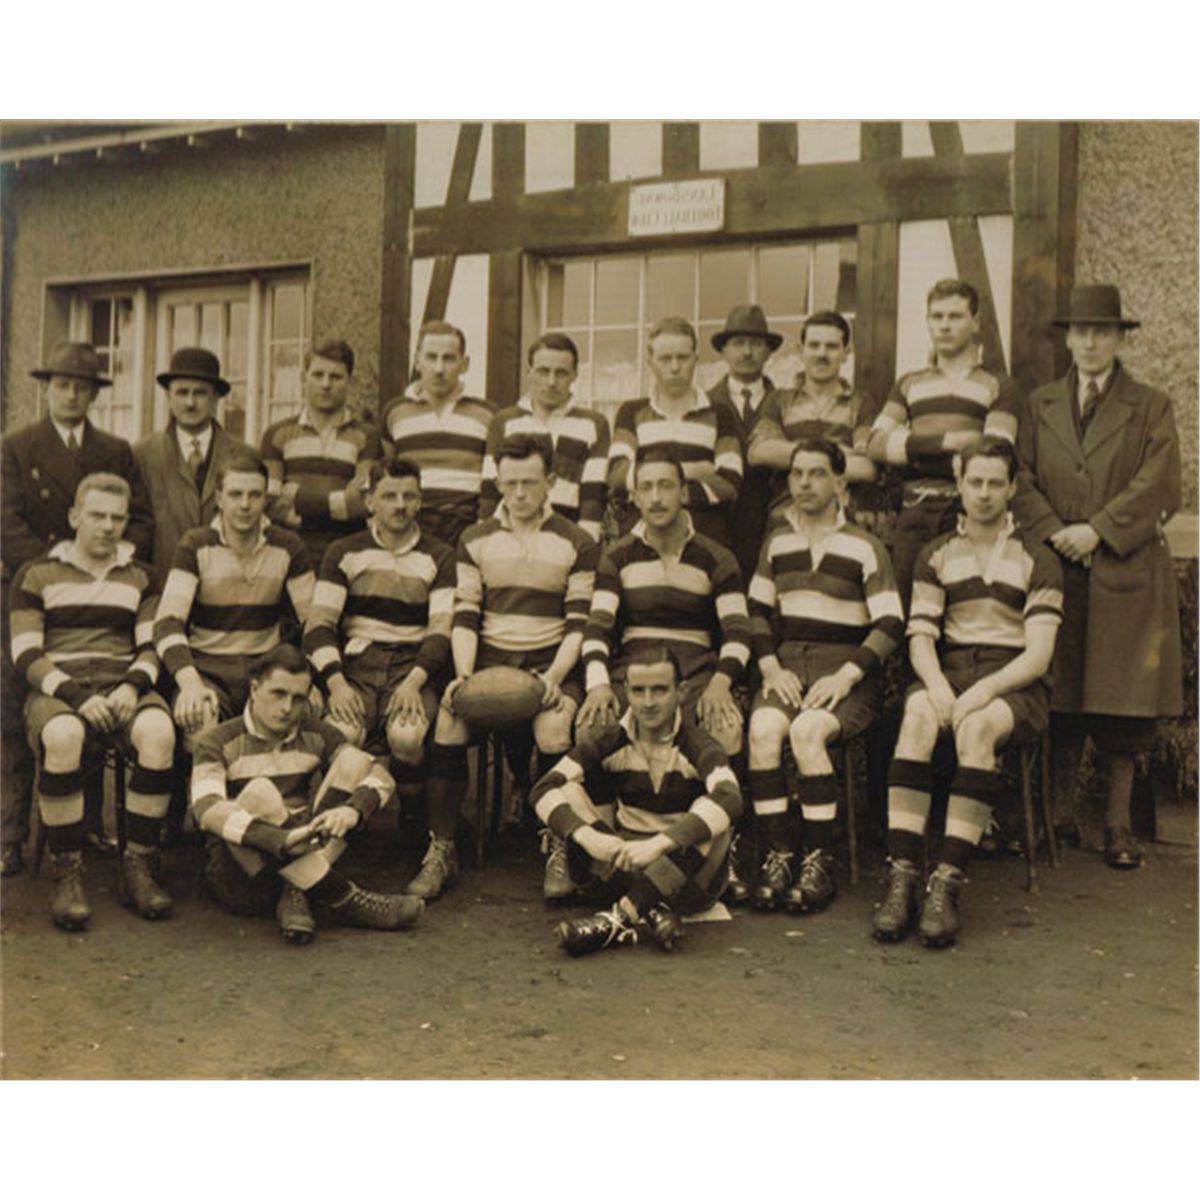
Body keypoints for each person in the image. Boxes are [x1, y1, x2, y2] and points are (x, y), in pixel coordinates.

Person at [1012, 285, 1183, 869]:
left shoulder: (1151, 405)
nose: (1089, 341)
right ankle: (1057, 820)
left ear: (1119, 339)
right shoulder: (1040, 405)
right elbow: (1020, 477)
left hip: (1124, 565)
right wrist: (1057, 530)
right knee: (1060, 693)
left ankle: (1116, 827)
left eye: (1101, 331)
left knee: (1121, 702)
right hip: (1059, 561)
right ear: (1067, 338)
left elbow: (1161, 485)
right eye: (1079, 331)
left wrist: (1098, 531)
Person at [873, 438, 1063, 948]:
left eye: (995, 483)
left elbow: (1038, 656)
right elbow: (921, 638)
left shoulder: (1037, 559)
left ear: (1012, 488)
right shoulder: (937, 554)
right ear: (959, 483)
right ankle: (904, 876)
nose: (983, 493)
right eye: (974, 482)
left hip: (1012, 679)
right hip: (948, 667)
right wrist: (937, 686)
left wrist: (981, 693)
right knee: (915, 720)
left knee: (976, 728)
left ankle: (946, 884)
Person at [1, 342, 154, 876]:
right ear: (48, 388)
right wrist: (56, 571)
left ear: (93, 394)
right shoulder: (17, 446)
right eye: (63, 384)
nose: (71, 394)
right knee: (19, 713)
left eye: (82, 386)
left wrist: (106, 560)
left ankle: (84, 827)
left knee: (96, 699)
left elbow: (137, 519)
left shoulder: (113, 449)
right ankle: (10, 833)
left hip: (102, 588)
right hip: (36, 590)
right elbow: (6, 521)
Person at [425, 434, 598, 901]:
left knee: (553, 730)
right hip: (490, 663)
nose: (519, 494)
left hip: (550, 661)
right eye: (510, 483)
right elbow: (466, 613)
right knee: (448, 720)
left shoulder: (577, 541)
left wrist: (556, 678)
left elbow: (579, 622)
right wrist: (463, 674)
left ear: (552, 482)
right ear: (498, 481)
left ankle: (559, 844)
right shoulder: (475, 538)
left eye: (529, 483)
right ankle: (441, 846)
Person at [577, 445, 751, 902]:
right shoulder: (617, 556)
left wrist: (720, 683)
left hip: (695, 675)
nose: (656, 497)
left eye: (666, 486)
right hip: (636, 674)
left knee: (724, 729)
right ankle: (599, 850)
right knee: (593, 725)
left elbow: (737, 632)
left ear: (684, 493)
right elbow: (597, 628)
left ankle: (721, 853)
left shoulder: (716, 557)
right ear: (633, 496)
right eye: (646, 487)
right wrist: (597, 684)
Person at [10, 473, 176, 929]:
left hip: (122, 682)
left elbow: (150, 647)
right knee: (63, 735)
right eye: (97, 515)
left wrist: (130, 688)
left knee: (159, 732)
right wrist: (78, 697)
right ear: (74, 517)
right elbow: (26, 653)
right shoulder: (37, 573)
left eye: (117, 518)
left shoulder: (141, 576)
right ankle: (68, 871)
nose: (107, 526)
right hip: (60, 689)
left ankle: (138, 865)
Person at [747, 439, 903, 913]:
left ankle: (819, 859)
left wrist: (848, 677)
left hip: (846, 672)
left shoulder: (864, 546)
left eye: (817, 474)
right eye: (797, 474)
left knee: (808, 731)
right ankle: (779, 853)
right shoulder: (777, 542)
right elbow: (755, 611)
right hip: (789, 664)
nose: (805, 484)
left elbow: (890, 623)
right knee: (763, 730)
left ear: (839, 483)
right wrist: (770, 664)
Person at [191, 645, 423, 944]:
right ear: (254, 688)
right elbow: (206, 809)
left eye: (298, 698)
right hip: (244, 874)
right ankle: (344, 897)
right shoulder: (218, 740)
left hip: (305, 847)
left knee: (354, 760)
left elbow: (380, 776)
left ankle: (297, 889)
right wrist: (281, 841)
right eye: (278, 694)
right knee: (259, 792)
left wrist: (353, 809)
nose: (287, 708)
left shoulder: (315, 733)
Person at [532, 644, 744, 957]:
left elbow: (731, 798)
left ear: (681, 692)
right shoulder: (610, 740)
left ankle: (615, 920)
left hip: (687, 878)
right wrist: (588, 837)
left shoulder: (697, 743)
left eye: (659, 690)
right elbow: (543, 787)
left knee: (714, 816)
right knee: (566, 789)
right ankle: (650, 908)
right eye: (639, 691)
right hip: (623, 864)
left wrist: (659, 844)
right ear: (626, 692)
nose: (647, 702)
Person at [866, 279, 1022, 606]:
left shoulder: (998, 386)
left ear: (975, 322)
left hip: (967, 511)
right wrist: (949, 441)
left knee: (964, 606)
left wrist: (907, 445)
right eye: (936, 317)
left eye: (955, 316)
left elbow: (994, 450)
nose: (944, 326)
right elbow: (876, 444)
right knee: (909, 609)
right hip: (914, 511)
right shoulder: (909, 384)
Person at [303, 458, 454, 788]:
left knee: (407, 737)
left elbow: (441, 630)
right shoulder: (343, 551)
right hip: (358, 664)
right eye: (389, 496)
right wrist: (336, 684)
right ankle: (342, 823)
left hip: (412, 664)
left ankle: (409, 815)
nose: (400, 506)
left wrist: (415, 682)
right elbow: (318, 627)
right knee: (342, 734)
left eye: (409, 496)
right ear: (369, 501)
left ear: (420, 500)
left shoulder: (439, 556)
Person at [154, 453, 315, 745]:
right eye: (235, 494)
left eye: (255, 495)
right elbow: (167, 623)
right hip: (208, 668)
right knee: (200, 722)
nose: (245, 505)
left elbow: (314, 622)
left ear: (266, 498)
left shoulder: (288, 546)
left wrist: (311, 678)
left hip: (268, 668)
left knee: (290, 722)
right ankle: (204, 792)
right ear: (219, 498)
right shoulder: (195, 544)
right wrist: (190, 683)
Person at [608, 316, 743, 543]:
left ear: (696, 359)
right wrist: (693, 471)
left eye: (682, 358)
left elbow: (730, 481)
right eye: (665, 358)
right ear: (651, 361)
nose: (675, 367)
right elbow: (617, 473)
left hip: (705, 537)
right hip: (643, 538)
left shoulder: (719, 413)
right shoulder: (631, 412)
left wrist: (656, 489)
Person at [134, 346, 256, 587]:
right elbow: (138, 529)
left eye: (200, 393)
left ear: (215, 398)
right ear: (169, 397)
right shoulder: (143, 454)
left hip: (226, 589)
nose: (190, 402)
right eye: (181, 392)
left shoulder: (244, 456)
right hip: (163, 588)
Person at [261, 340, 382, 567]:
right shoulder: (276, 434)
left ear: (350, 382)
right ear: (302, 377)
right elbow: (269, 500)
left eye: (336, 377)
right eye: (318, 375)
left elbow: (364, 501)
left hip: (348, 555)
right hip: (291, 555)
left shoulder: (367, 437)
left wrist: (297, 498)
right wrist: (337, 503)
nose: (326, 384)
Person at [479, 333, 610, 543]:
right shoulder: (504, 421)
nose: (551, 382)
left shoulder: (594, 424)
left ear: (575, 375)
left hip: (568, 540)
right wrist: (488, 542)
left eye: (561, 373)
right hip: (511, 538)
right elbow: (490, 491)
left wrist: (585, 546)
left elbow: (593, 495)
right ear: (528, 372)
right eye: (543, 371)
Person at [748, 310, 877, 519]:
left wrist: (791, 455)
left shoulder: (860, 403)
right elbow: (759, 452)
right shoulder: (779, 400)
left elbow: (866, 467)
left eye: (832, 347)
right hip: (784, 518)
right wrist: (834, 453)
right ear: (801, 350)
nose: (821, 354)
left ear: (846, 352)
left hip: (842, 520)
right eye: (814, 345)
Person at [382, 321, 496, 549]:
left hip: (466, 526)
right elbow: (386, 474)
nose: (439, 368)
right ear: (417, 361)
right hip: (411, 524)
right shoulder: (395, 413)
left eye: (449, 358)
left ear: (464, 364)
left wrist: (483, 529)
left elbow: (492, 481)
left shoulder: (487, 414)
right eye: (431, 357)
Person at [706, 305, 781, 580]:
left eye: (756, 343)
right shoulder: (704, 406)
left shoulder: (785, 404)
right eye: (738, 343)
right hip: (719, 525)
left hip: (771, 525)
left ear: (769, 351)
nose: (747, 352)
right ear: (724, 351)